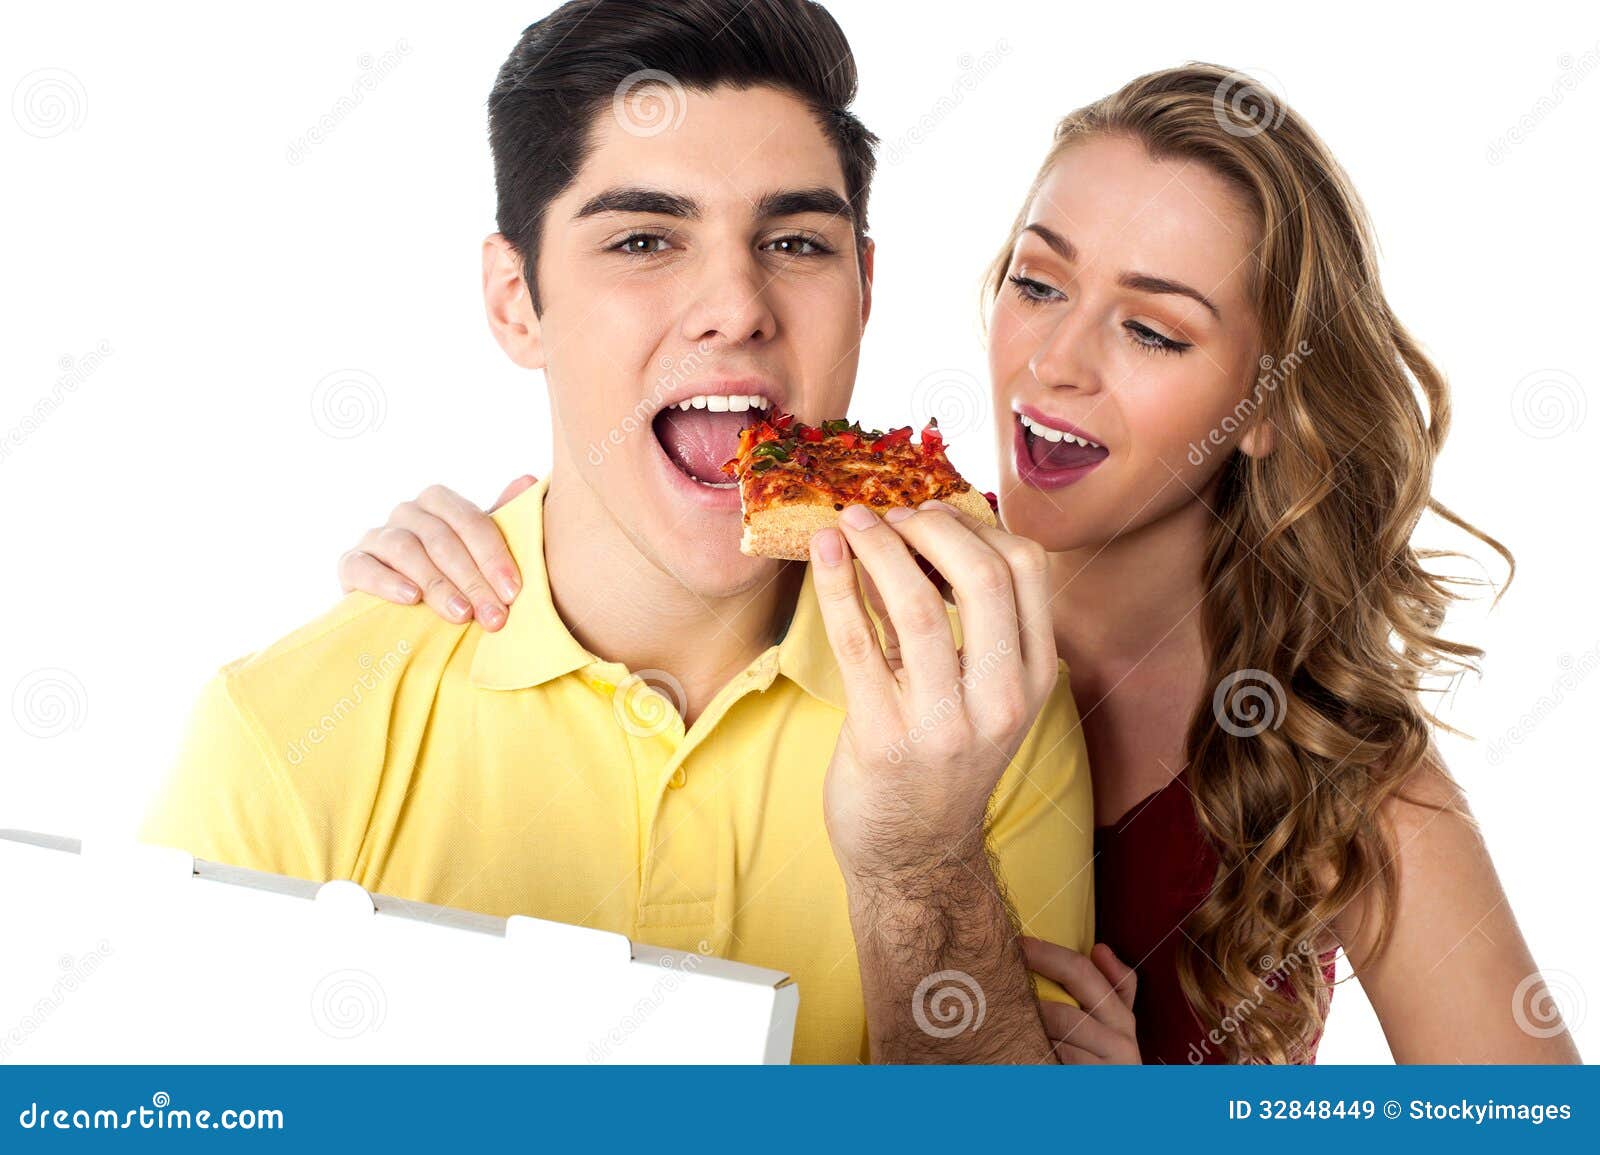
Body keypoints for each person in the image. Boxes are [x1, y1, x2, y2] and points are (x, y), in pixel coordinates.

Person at [346, 63, 1581, 1063]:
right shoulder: (828, 568)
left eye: (1152, 330)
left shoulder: (1343, 770)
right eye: (1037, 283)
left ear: (1266, 405)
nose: (1054, 363)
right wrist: (481, 559)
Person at [137, 0, 1095, 1065]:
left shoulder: (985, 694)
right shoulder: (280, 731)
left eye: (794, 242)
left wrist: (920, 861)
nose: (736, 305)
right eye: (644, 240)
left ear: (865, 290)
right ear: (517, 302)